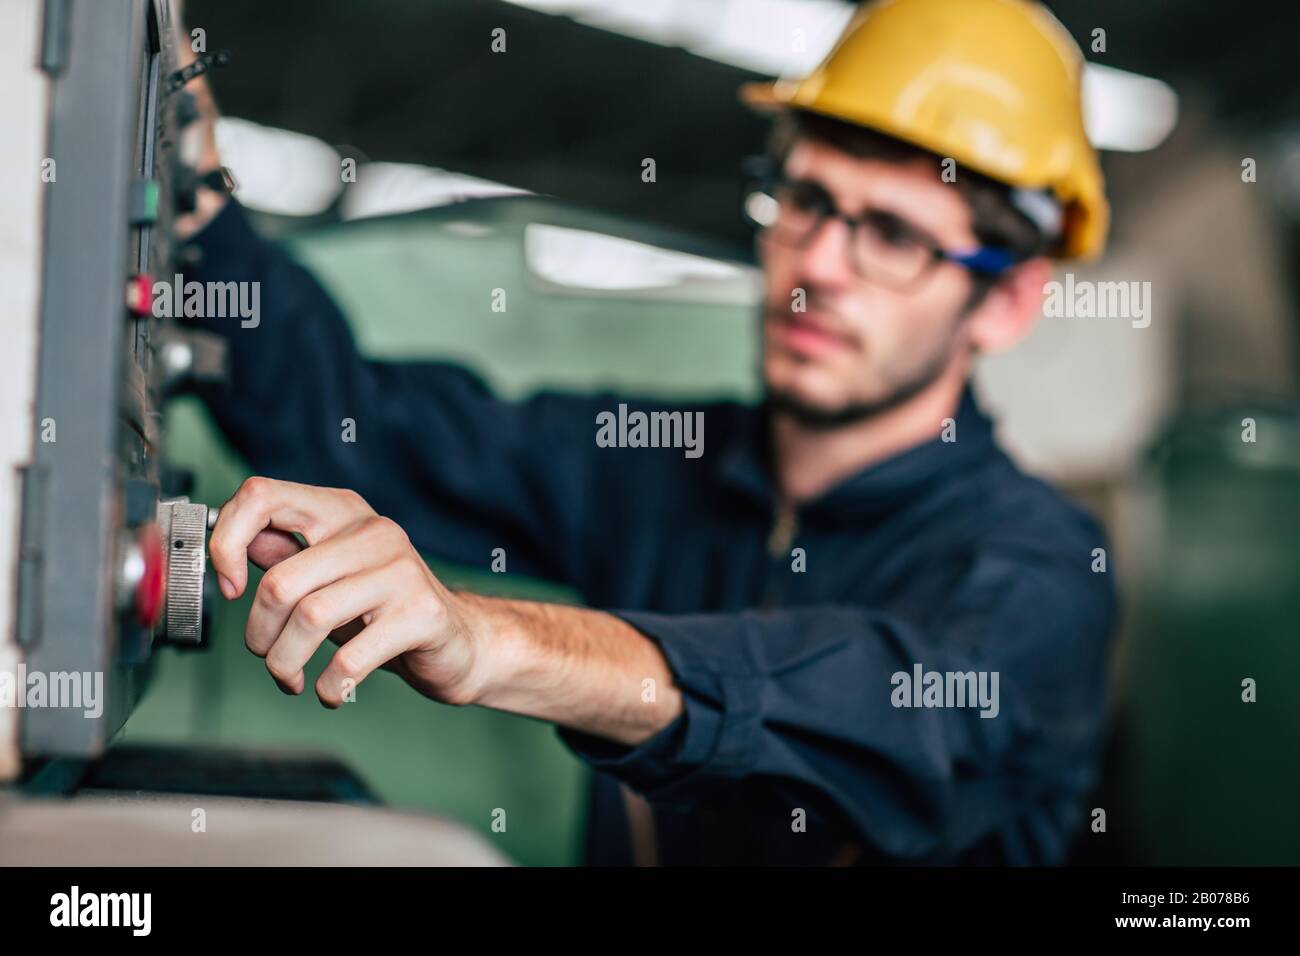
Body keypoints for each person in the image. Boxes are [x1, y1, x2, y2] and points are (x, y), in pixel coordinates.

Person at [176, 0, 1116, 865]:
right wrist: (200, 204)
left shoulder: (1043, 572)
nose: (818, 264)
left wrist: (497, 641)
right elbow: (360, 424)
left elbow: (896, 713)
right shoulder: (666, 464)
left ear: (1005, 302)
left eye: (896, 237)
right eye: (806, 199)